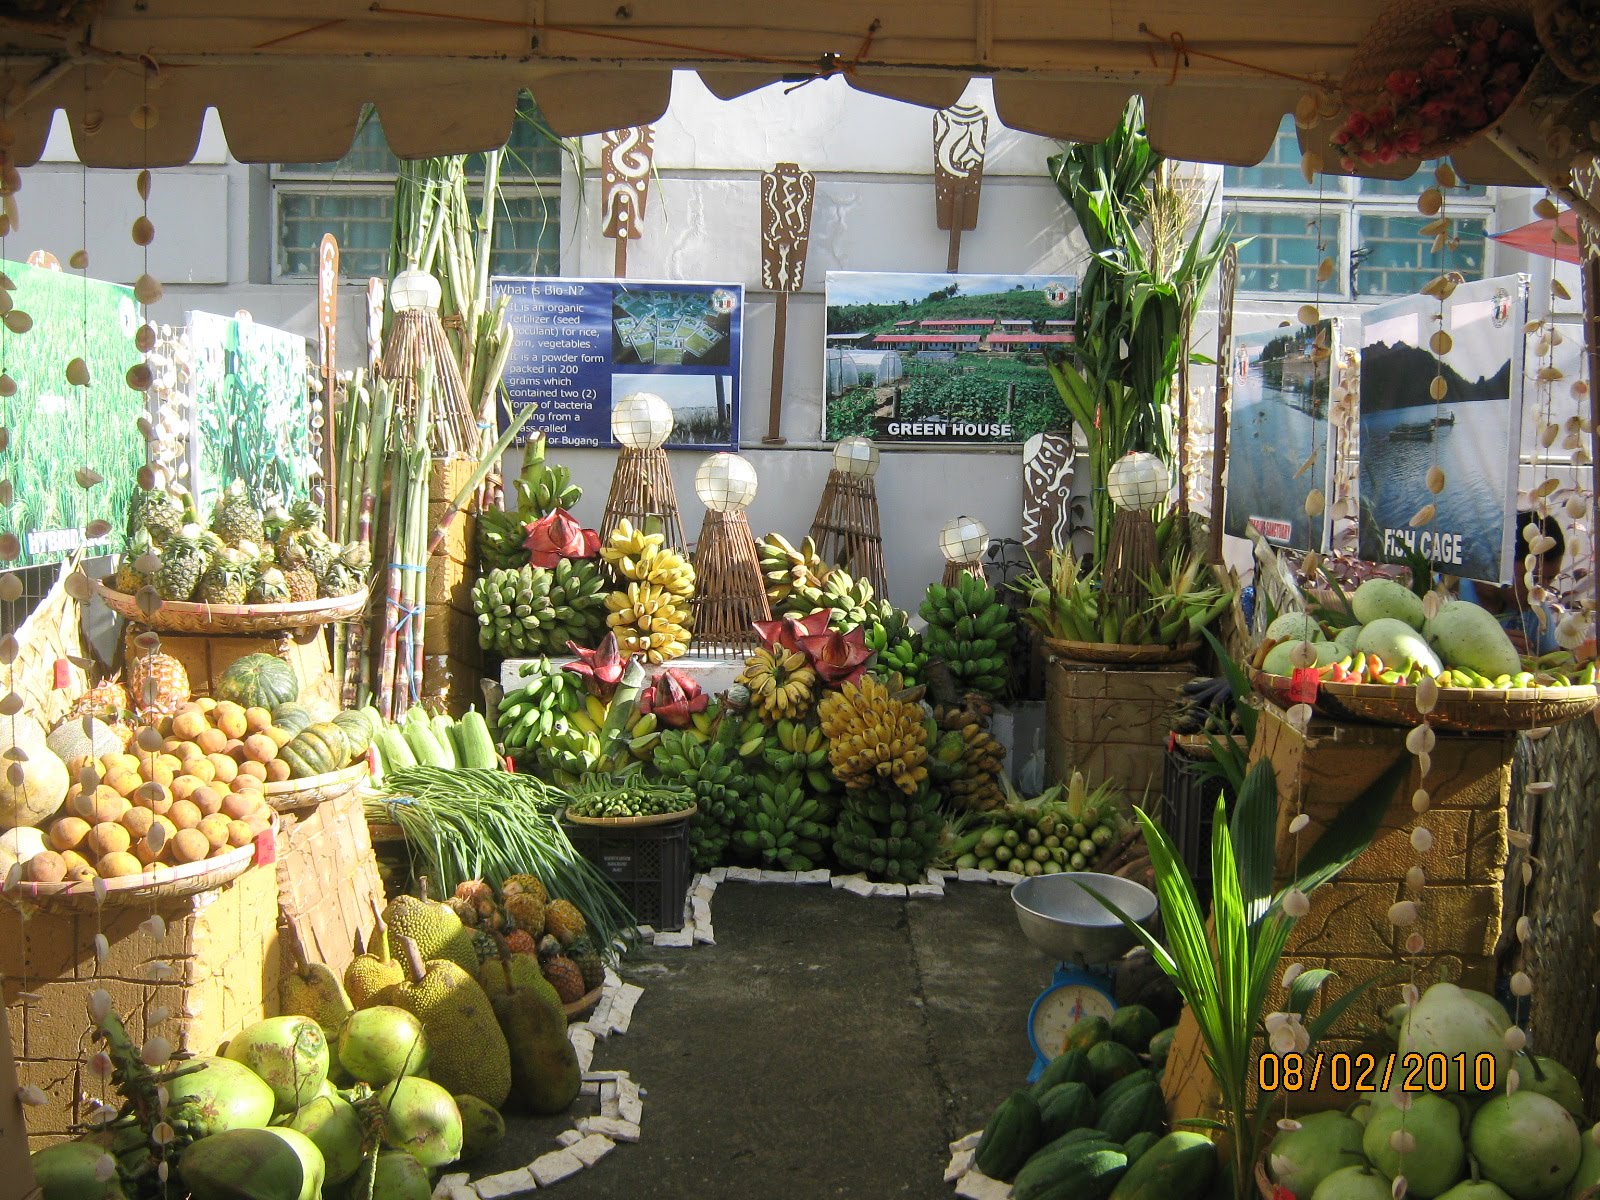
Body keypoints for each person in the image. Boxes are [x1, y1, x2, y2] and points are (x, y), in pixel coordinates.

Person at [1458, 512, 1565, 654]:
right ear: (1501, 561)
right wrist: (1484, 644)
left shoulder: (1534, 608)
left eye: (1549, 579)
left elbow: (1556, 663)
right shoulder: (1450, 592)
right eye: (1532, 579)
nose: (1541, 592)